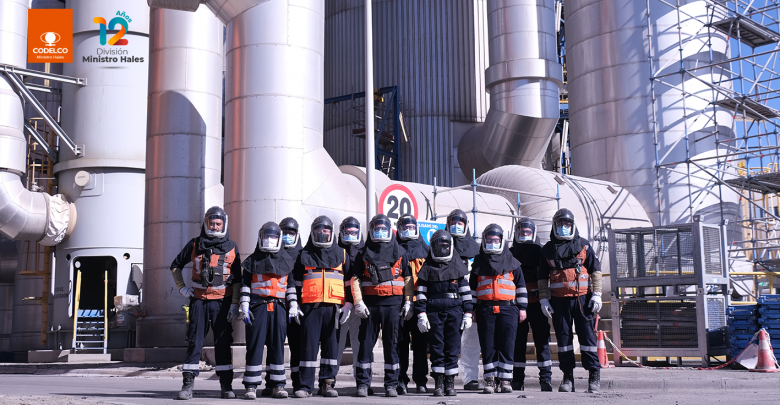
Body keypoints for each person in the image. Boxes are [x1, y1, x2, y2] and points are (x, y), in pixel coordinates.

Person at [169, 206, 241, 400]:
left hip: (222, 304)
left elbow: (238, 279)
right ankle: (187, 386)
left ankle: (226, 386)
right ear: (206, 223)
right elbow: (175, 265)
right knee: (194, 343)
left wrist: (235, 304)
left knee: (223, 344)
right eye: (212, 223)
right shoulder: (194, 244)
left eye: (218, 224)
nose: (215, 227)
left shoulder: (232, 247)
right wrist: (182, 288)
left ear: (224, 225)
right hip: (199, 302)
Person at [537, 208, 602, 393]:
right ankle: (567, 378)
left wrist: (597, 293)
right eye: (560, 224)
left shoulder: (584, 246)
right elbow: (542, 277)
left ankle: (594, 377)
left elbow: (595, 270)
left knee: (588, 339)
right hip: (559, 302)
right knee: (564, 341)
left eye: (567, 224)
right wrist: (543, 300)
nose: (564, 227)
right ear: (554, 226)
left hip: (583, 300)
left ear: (573, 226)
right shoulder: (547, 250)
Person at [351, 214, 414, 397]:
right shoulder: (363, 253)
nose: (380, 231)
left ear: (389, 230)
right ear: (371, 230)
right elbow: (355, 279)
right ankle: (362, 384)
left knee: (392, 345)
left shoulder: (401, 253)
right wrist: (358, 302)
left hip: (393, 305)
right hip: (370, 305)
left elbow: (408, 278)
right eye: (376, 228)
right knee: (365, 344)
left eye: (383, 228)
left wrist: (408, 301)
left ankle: (391, 385)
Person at [292, 216, 351, 398]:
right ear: (312, 232)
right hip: (310, 308)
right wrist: (294, 303)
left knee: (331, 347)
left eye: (326, 230)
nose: (322, 232)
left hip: (334, 309)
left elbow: (349, 282)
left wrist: (348, 304)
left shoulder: (342, 254)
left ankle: (327, 384)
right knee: (308, 348)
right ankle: (305, 386)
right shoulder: (303, 255)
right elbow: (295, 283)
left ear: (332, 233)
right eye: (319, 229)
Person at [239, 222, 295, 399]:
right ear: (260, 238)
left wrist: (293, 304)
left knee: (277, 346)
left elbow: (290, 286)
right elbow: (245, 285)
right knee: (254, 346)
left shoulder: (287, 261)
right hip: (258, 307)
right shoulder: (251, 261)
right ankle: (251, 386)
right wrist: (244, 305)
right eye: (267, 237)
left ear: (278, 239)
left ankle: (277, 385)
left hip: (279, 308)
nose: (270, 240)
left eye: (273, 237)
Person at [470, 223, 528, 394]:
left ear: (502, 241)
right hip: (484, 310)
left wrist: (522, 308)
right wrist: (472, 309)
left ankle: (505, 380)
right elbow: (472, 289)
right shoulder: (478, 263)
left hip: (509, 310)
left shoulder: (513, 263)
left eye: (496, 240)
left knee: (507, 345)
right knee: (488, 345)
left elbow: (521, 287)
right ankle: (489, 379)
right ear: (484, 241)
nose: (493, 242)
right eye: (490, 239)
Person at [415, 230, 471, 397]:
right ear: (433, 247)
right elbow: (421, 293)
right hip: (433, 311)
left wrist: (468, 312)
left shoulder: (458, 266)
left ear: (451, 246)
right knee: (437, 347)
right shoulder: (427, 267)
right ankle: (438, 382)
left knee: (452, 347)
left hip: (455, 310)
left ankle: (450, 382)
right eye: (439, 245)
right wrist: (421, 314)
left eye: (446, 245)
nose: (443, 248)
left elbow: (466, 292)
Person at [510, 218, 552, 391]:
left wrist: (546, 299)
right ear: (516, 233)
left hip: (538, 303)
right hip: (517, 304)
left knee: (542, 342)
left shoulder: (541, 252)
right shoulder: (510, 253)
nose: (525, 234)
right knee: (517, 343)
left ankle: (546, 380)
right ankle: (517, 380)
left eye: (528, 232)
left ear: (533, 233)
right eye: (522, 231)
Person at [334, 216, 371, 393]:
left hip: (358, 305)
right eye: (347, 232)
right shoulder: (334, 251)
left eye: (354, 232)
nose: (350, 235)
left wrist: (357, 303)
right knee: (336, 344)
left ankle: (362, 383)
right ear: (341, 232)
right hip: (339, 305)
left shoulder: (365, 252)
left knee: (359, 344)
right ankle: (329, 381)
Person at [395, 214, 430, 394]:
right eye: (404, 226)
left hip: (420, 304)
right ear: (398, 228)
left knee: (420, 345)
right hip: (398, 303)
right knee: (400, 344)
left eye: (411, 226)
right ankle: (401, 380)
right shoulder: (393, 249)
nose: (408, 229)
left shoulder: (426, 250)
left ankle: (420, 380)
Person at [447, 209, 482, 391]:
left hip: (470, 301)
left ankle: (470, 379)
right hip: (447, 300)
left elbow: (478, 278)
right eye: (453, 222)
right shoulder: (440, 245)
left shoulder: (476, 250)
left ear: (466, 225)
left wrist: (474, 305)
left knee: (470, 339)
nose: (456, 225)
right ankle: (446, 378)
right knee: (448, 341)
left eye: (460, 222)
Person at [279, 217, 305, 394]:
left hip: (299, 308)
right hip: (279, 306)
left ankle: (298, 383)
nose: (288, 236)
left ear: (297, 235)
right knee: (276, 345)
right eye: (284, 233)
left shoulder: (304, 255)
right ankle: (273, 383)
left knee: (298, 346)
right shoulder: (273, 253)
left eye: (291, 233)